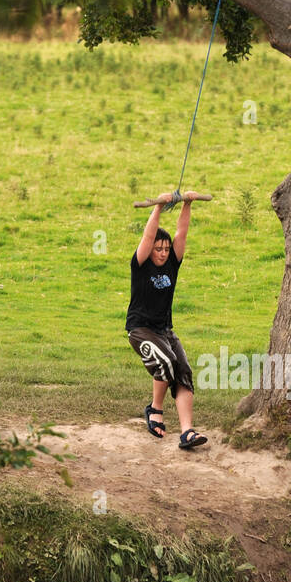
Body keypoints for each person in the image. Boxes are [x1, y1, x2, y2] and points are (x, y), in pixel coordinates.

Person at [126, 191, 207, 449]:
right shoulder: (140, 265)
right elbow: (148, 235)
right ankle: (155, 410)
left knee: (183, 372)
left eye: (165, 248)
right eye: (158, 249)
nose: (162, 253)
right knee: (166, 362)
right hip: (140, 329)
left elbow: (181, 233)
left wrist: (187, 203)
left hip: (165, 330)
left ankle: (187, 432)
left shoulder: (172, 263)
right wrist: (158, 206)